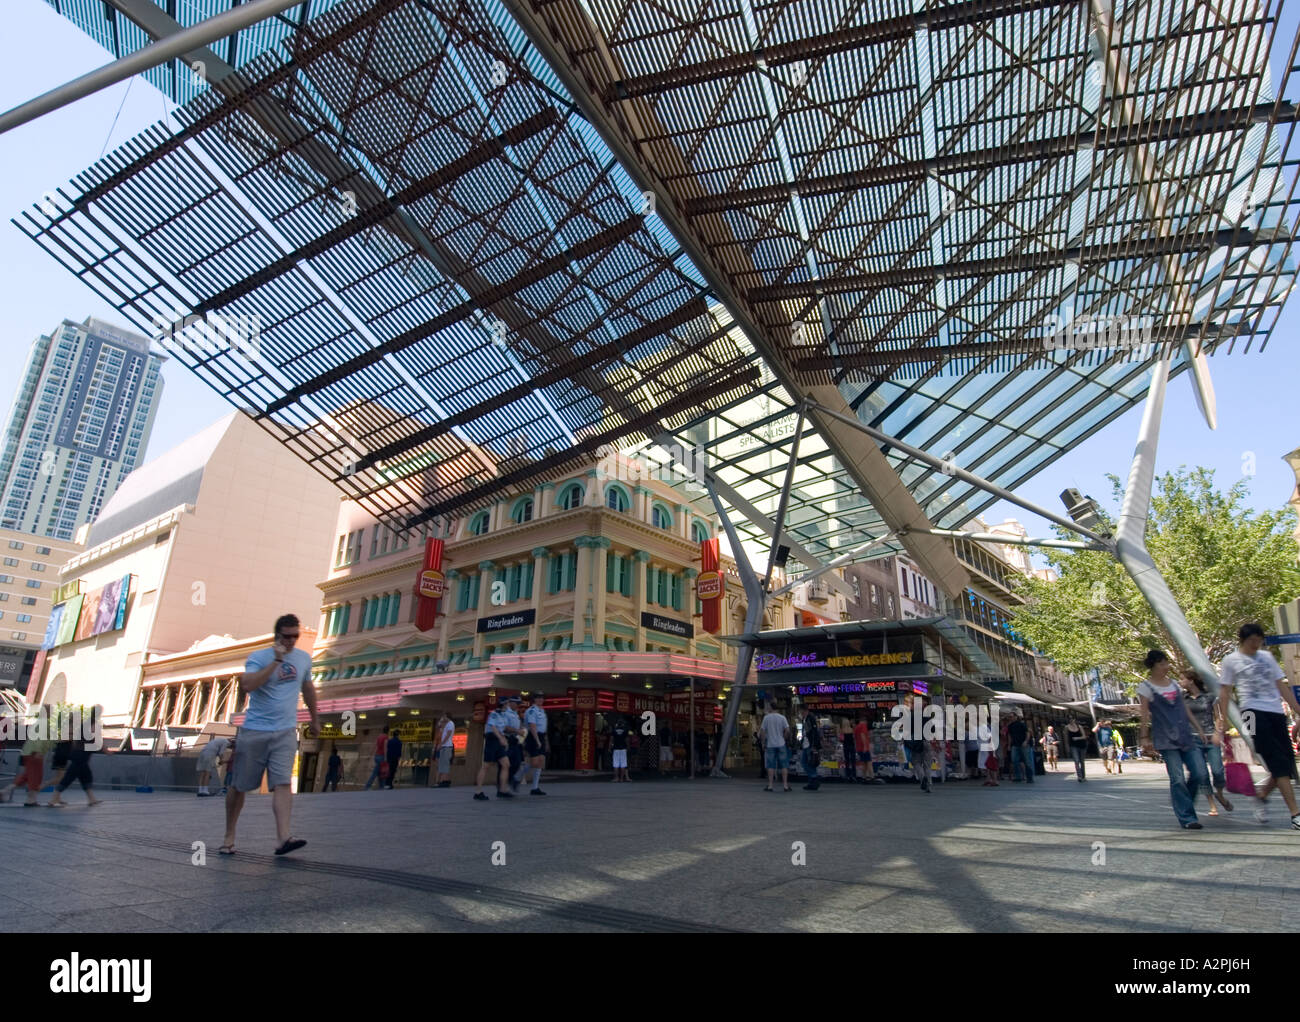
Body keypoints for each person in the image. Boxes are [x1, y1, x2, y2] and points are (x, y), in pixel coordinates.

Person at [221, 614, 319, 854]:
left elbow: (307, 688)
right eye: (287, 637)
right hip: (255, 730)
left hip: (285, 730)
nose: (291, 641)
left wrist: (315, 718)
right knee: (240, 786)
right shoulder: (259, 657)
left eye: (295, 636)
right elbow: (248, 685)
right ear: (277, 636)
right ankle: (229, 835)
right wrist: (276, 662)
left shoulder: (304, 658)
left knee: (283, 783)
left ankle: (284, 837)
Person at [1218, 622, 1300, 829]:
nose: (1256, 644)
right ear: (1242, 641)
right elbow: (1225, 692)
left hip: (1275, 712)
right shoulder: (1231, 661)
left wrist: (1297, 710)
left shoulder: (1266, 657)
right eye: (1252, 641)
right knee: (1277, 760)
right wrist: (1222, 722)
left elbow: (1280, 685)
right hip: (1251, 713)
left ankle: (1261, 794)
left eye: (1259, 640)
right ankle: (1295, 813)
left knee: (1287, 762)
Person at [1137, 649, 1209, 830]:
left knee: (1200, 773)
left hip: (1185, 734)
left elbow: (1185, 708)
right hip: (1165, 738)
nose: (1166, 666)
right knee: (1177, 779)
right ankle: (1187, 817)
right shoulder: (1145, 687)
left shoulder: (1175, 685)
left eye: (1167, 663)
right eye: (1162, 664)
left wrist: (1199, 728)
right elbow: (1144, 713)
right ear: (1153, 665)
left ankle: (1184, 801)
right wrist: (1144, 737)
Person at [1181, 669, 1231, 816]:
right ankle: (1212, 805)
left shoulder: (1209, 697)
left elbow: (1218, 716)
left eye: (1182, 678)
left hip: (1211, 737)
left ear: (1191, 680)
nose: (1180, 682)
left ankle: (1220, 794)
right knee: (1201, 773)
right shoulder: (1183, 699)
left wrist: (1217, 733)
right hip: (1193, 739)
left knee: (1218, 770)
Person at [46, 706, 102, 808]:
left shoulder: (84, 724)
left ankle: (92, 799)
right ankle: (53, 799)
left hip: (79, 755)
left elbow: (76, 741)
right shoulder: (91, 723)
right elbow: (95, 738)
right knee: (69, 777)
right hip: (80, 755)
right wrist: (104, 749)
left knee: (85, 776)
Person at [474, 699, 514, 801]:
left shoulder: (504, 715)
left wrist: (507, 735)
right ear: (503, 704)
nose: (509, 705)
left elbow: (503, 728)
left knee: (506, 764)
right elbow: (493, 727)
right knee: (486, 766)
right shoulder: (494, 714)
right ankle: (478, 792)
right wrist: (501, 738)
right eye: (507, 703)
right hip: (492, 740)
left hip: (499, 741)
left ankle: (502, 790)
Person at [1, 737, 47, 806]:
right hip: (34, 752)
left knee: (27, 775)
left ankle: (5, 790)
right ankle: (31, 799)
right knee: (35, 775)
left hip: (30, 751)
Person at [521, 693, 548, 796]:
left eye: (542, 698)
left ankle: (535, 787)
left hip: (541, 736)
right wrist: (537, 740)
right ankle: (517, 777)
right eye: (538, 698)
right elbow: (532, 726)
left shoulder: (542, 710)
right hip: (533, 736)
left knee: (540, 761)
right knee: (535, 762)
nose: (540, 700)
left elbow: (543, 727)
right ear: (534, 700)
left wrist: (544, 740)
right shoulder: (532, 710)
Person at [760, 705, 791, 792]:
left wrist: (763, 742)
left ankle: (770, 786)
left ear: (770, 708)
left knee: (771, 765)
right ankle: (785, 786)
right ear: (777, 708)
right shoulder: (782, 717)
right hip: (781, 744)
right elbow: (787, 730)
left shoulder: (766, 718)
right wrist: (784, 738)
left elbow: (762, 731)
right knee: (784, 765)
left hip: (770, 744)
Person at [1008, 713, 1033, 783]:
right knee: (1014, 760)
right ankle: (1017, 776)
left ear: (1016, 717)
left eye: (1011, 717)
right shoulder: (1010, 726)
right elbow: (1009, 736)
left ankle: (1029, 777)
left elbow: (1028, 733)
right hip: (1015, 745)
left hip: (1023, 745)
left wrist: (1026, 741)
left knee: (1027, 761)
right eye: (1009, 717)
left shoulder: (1021, 724)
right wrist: (1009, 745)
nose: (1010, 718)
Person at [801, 708, 822, 791]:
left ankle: (814, 777)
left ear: (806, 711)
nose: (801, 713)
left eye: (802, 711)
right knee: (809, 763)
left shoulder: (810, 719)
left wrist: (813, 745)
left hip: (809, 745)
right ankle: (812, 781)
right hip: (806, 744)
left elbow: (813, 732)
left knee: (806, 762)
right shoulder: (805, 719)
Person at [1064, 717, 1088, 782]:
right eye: (1069, 719)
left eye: (1072, 719)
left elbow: (1084, 736)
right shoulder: (1066, 727)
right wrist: (1067, 747)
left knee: (1082, 761)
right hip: (1073, 746)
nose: (1071, 720)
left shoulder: (1079, 727)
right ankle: (1079, 777)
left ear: (1074, 720)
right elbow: (1066, 738)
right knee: (1076, 761)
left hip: (1082, 745)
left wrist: (1077, 738)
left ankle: (1083, 776)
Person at [435, 712, 455, 788]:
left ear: (447, 716)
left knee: (445, 763)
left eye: (444, 716)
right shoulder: (445, 724)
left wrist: (441, 744)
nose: (443, 718)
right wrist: (440, 722)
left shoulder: (450, 724)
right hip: (444, 746)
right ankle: (443, 780)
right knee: (442, 763)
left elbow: (448, 735)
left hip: (447, 746)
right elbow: (438, 727)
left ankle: (445, 781)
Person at [610, 718, 632, 782]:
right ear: (623, 724)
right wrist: (628, 747)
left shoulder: (614, 731)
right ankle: (621, 779)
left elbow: (611, 740)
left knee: (616, 765)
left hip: (616, 749)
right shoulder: (625, 731)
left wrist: (610, 747)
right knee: (623, 765)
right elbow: (627, 740)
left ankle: (616, 778)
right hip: (623, 749)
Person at [839, 717, 856, 782]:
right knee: (853, 761)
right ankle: (854, 775)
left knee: (847, 761)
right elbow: (854, 737)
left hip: (845, 746)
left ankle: (848, 775)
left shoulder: (842, 730)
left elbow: (840, 739)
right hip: (852, 746)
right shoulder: (852, 729)